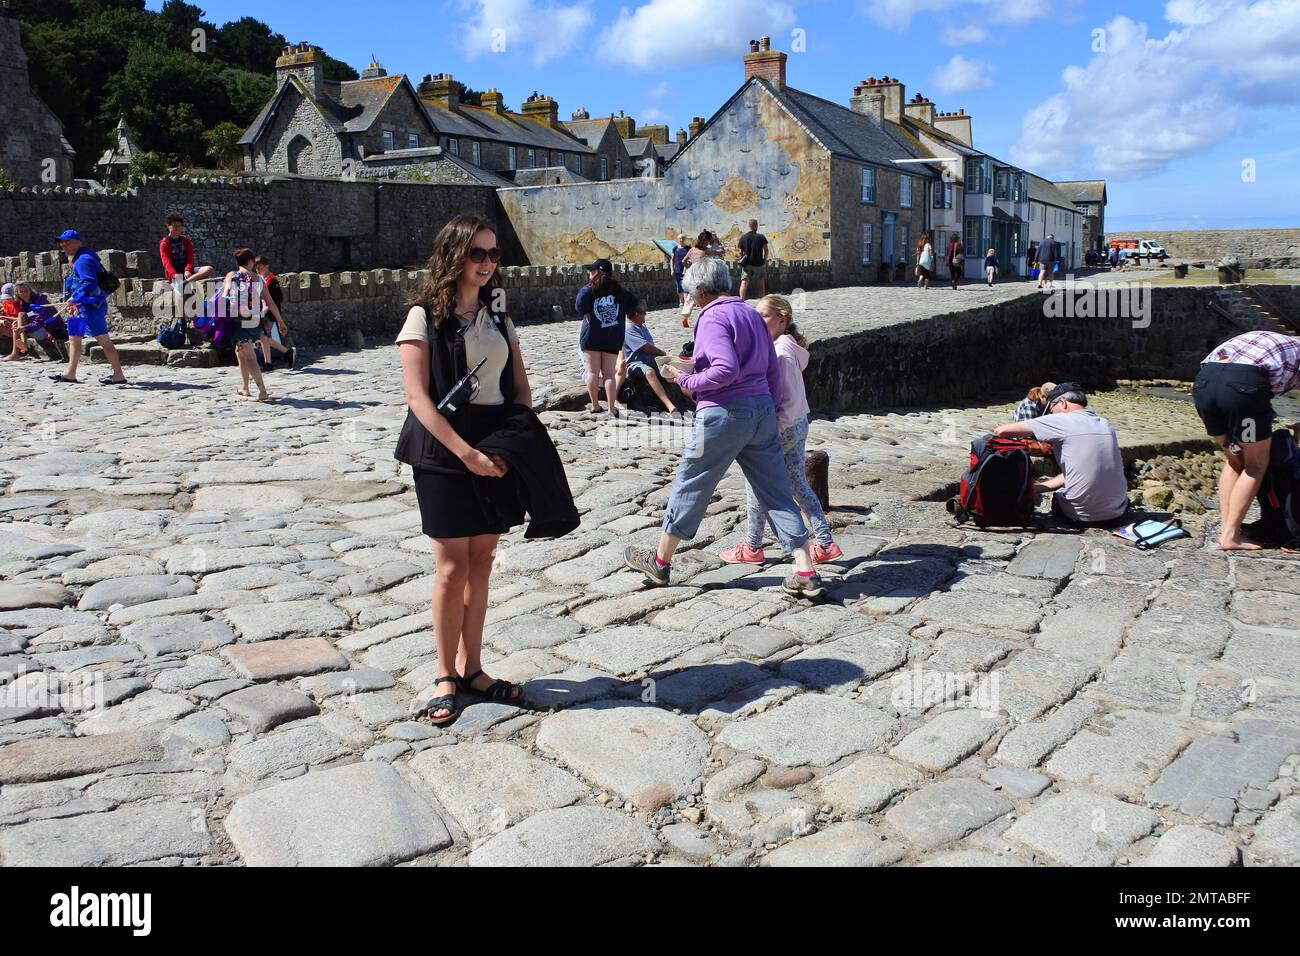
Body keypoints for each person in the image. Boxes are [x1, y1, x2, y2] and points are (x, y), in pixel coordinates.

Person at [394, 214, 543, 725]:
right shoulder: (422, 316)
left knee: (483, 562)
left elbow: (519, 388)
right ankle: (443, 674)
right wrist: (466, 454)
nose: (486, 263)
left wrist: (510, 443)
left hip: (494, 444)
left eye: (493, 254)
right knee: (451, 567)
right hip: (441, 450)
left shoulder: (500, 316)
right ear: (454, 254)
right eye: (476, 253)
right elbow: (417, 398)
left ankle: (473, 668)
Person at [624, 257, 827, 598]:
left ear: (702, 290)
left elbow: (725, 369)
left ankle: (660, 562)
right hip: (761, 411)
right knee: (776, 488)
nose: (690, 299)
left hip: (723, 413)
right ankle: (804, 569)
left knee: (692, 481)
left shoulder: (712, 316)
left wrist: (683, 377)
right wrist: (770, 410)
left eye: (690, 293)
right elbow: (771, 372)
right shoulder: (750, 313)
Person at [722, 293, 841, 565]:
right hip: (800, 422)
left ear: (781, 319)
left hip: (783, 426)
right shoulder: (789, 347)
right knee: (798, 484)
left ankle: (752, 547)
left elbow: (778, 396)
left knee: (755, 482)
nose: (757, 319)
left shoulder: (780, 352)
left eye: (763, 315)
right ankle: (825, 542)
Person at [1192, 331, 1300, 551]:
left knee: (1234, 460)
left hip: (1204, 384)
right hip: (1243, 387)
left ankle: (1229, 529)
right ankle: (1230, 536)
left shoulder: (1280, 342)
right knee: (1255, 465)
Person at [994, 382, 1130, 526]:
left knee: (1058, 499)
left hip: (1079, 515)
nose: (1051, 413)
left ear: (1063, 403)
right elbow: (1076, 473)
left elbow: (1001, 431)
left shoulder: (1060, 419)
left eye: (1051, 409)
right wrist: (1037, 488)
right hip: (1118, 512)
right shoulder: (1105, 423)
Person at [50, 229, 127, 386]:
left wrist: (75, 297)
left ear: (78, 242)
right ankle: (70, 373)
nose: (64, 246)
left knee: (103, 340)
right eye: (62, 243)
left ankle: (118, 374)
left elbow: (89, 282)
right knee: (74, 338)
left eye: (67, 243)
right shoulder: (80, 258)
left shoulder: (84, 260)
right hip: (79, 307)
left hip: (90, 307)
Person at [576, 258, 639, 417]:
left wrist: (589, 311)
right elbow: (633, 304)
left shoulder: (589, 289)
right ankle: (611, 408)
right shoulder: (619, 290)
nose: (590, 274)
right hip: (612, 337)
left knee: (592, 372)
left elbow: (580, 305)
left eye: (592, 271)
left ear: (599, 272)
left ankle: (595, 405)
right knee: (609, 374)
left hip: (592, 338)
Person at [221, 248, 284, 402]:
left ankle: (262, 391)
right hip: (254, 322)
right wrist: (281, 321)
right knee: (240, 353)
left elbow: (224, 297)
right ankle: (245, 388)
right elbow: (270, 302)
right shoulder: (258, 279)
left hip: (237, 322)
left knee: (249, 357)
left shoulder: (231, 275)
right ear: (250, 262)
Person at [615, 308, 679, 414]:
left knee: (675, 366)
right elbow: (646, 348)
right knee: (649, 372)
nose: (645, 314)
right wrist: (664, 354)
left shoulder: (641, 326)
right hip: (635, 363)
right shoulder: (628, 329)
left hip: (650, 359)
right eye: (643, 313)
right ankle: (669, 405)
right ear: (636, 314)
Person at [159, 214, 213, 318]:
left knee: (209, 269)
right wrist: (175, 275)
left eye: (179, 226)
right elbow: (166, 262)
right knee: (180, 291)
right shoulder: (164, 243)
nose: (177, 229)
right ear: (168, 226)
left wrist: (188, 270)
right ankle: (181, 319)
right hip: (175, 273)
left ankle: (186, 282)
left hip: (187, 271)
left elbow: (190, 258)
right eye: (175, 226)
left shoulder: (185, 240)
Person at [253, 256, 295, 372]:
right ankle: (272, 360)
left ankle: (283, 354)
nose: (258, 270)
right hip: (262, 311)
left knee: (262, 337)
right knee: (264, 338)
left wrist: (267, 310)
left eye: (260, 268)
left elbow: (277, 298)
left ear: (267, 266)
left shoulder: (272, 280)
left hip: (270, 313)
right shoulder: (261, 278)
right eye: (256, 269)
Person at [680, 229, 724, 327]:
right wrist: (720, 245)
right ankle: (706, 316)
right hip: (702, 278)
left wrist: (689, 266)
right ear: (706, 241)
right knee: (705, 297)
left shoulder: (692, 249)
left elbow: (683, 261)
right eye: (708, 241)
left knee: (690, 298)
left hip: (692, 277)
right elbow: (719, 252)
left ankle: (685, 317)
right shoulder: (706, 251)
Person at [738, 219, 769, 301]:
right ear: (756, 226)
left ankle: (741, 301)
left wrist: (742, 259)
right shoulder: (761, 237)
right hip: (759, 264)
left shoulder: (743, 237)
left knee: (744, 283)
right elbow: (766, 250)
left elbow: (740, 252)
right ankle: (762, 301)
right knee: (760, 284)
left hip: (747, 264)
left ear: (749, 226)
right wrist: (765, 260)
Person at [672, 233, 690, 310]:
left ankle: (687, 301)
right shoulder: (675, 248)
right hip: (678, 270)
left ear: (685, 239)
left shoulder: (688, 248)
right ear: (678, 239)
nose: (681, 240)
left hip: (687, 270)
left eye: (683, 238)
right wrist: (672, 269)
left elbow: (691, 257)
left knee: (687, 286)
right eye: (680, 238)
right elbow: (672, 260)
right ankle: (681, 301)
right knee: (679, 286)